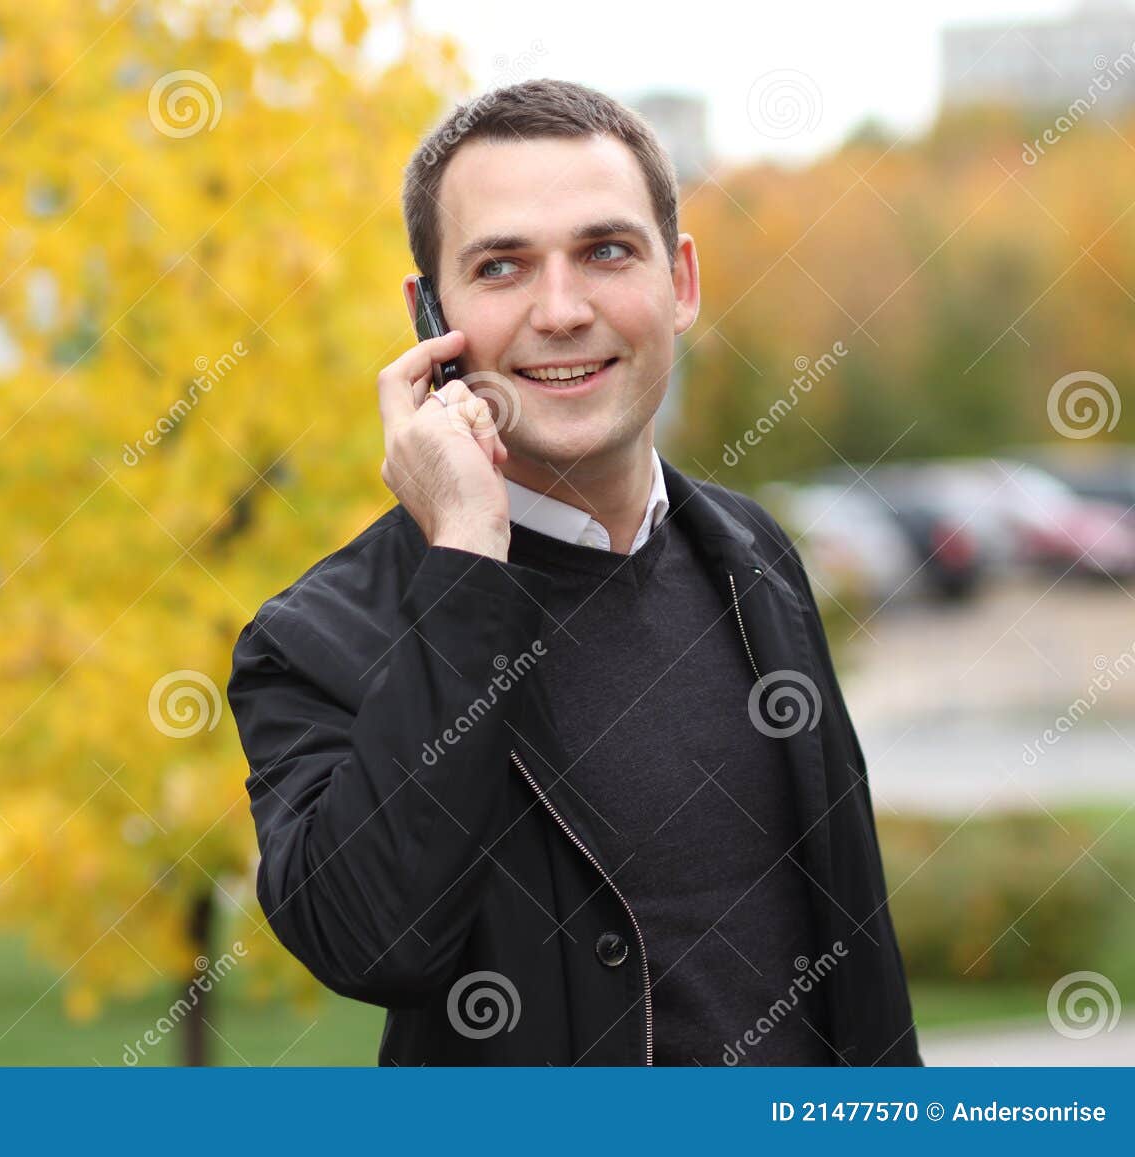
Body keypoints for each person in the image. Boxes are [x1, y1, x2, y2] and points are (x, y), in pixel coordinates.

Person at [226, 78, 922, 1067]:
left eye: (605, 252)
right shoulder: (316, 638)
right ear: (429, 315)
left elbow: (856, 955)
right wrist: (464, 548)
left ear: (678, 282)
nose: (560, 311)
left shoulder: (754, 556)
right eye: (502, 266)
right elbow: (373, 939)